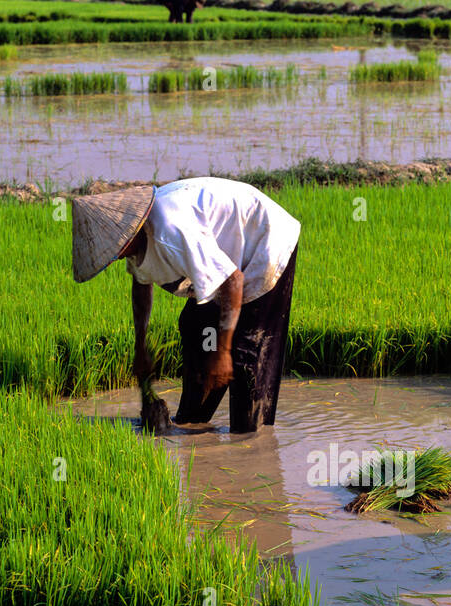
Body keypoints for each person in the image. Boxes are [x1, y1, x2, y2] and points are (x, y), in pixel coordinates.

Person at [71, 177, 301, 434]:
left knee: (246, 351)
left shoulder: (171, 231)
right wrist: (140, 346)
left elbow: (233, 281)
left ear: (127, 236)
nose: (113, 257)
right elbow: (141, 282)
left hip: (263, 243)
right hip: (224, 263)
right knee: (196, 328)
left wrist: (223, 350)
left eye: (113, 251)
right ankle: (193, 421)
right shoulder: (135, 241)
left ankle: (249, 437)